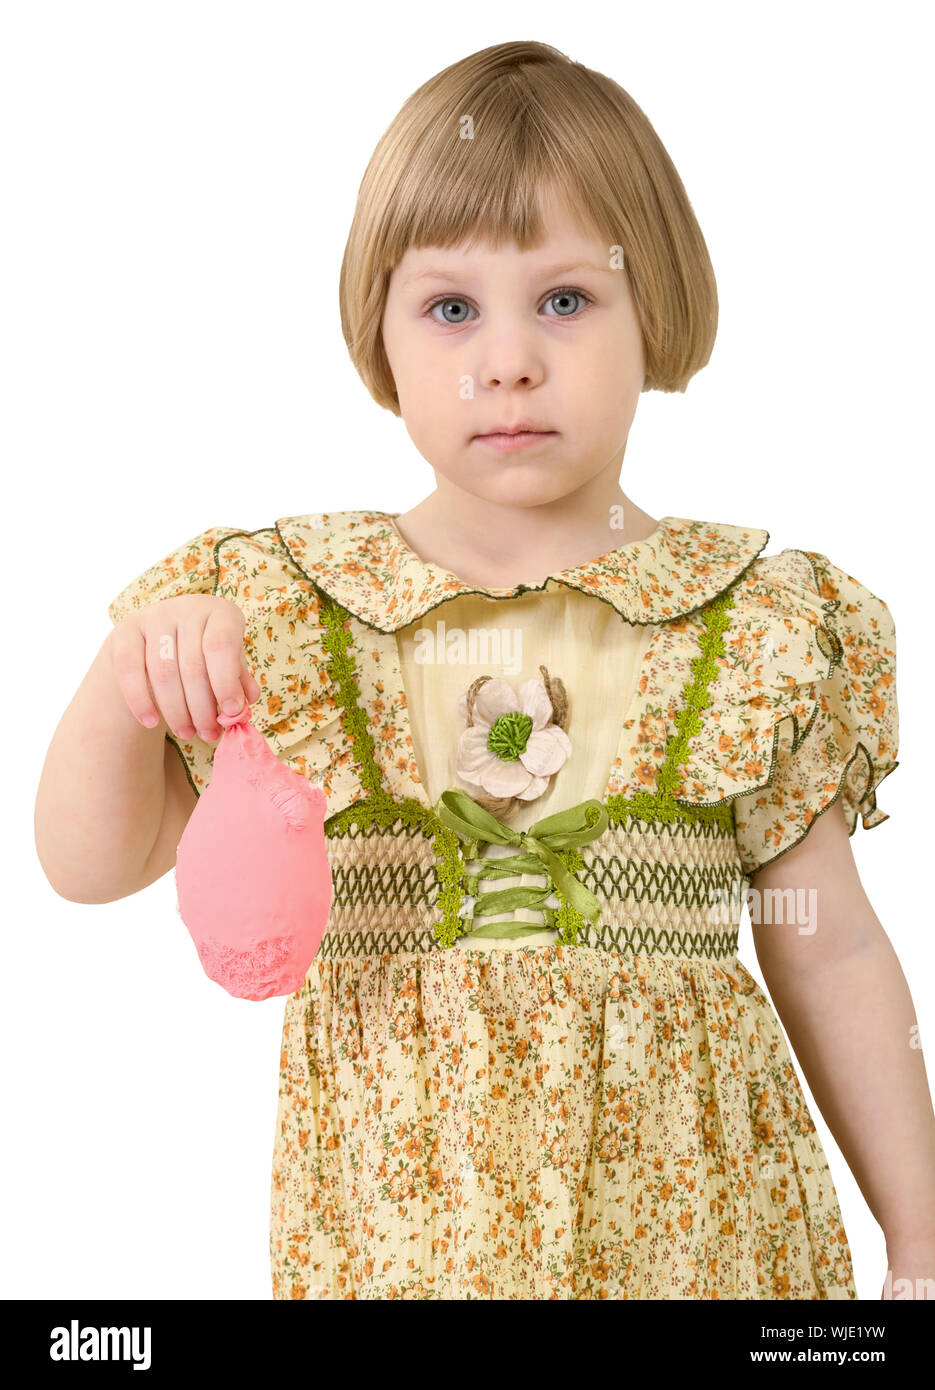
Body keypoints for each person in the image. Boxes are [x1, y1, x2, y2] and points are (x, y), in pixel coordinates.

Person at [35, 40, 934, 1300]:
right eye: (451, 307)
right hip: (405, 1241)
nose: (506, 358)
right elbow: (90, 865)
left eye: (563, 299)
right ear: (382, 336)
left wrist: (918, 1240)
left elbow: (828, 949)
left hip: (701, 1245)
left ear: (654, 309)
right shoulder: (288, 616)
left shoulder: (747, 628)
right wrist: (126, 683)